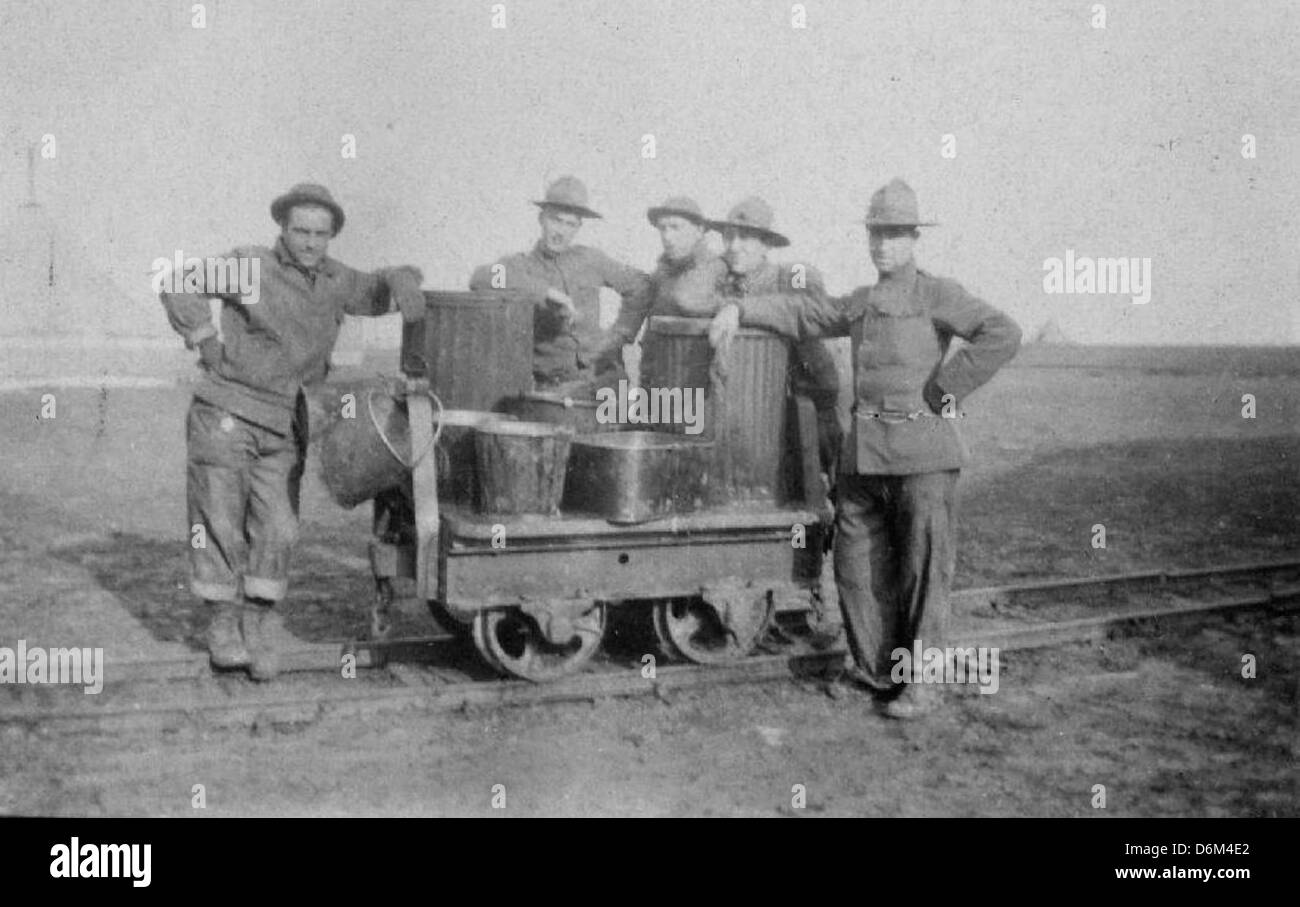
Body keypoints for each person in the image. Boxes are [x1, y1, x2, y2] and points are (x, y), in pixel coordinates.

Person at [709, 179, 1021, 718]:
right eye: (877, 233)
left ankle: (921, 682)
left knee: (922, 571)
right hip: (863, 459)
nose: (884, 245)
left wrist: (945, 390)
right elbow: (806, 314)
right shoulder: (859, 302)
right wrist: (740, 310)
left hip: (924, 458)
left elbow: (1003, 332)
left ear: (913, 238)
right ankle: (875, 670)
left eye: (895, 234)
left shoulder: (937, 293)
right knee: (856, 568)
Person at [160, 182, 426, 680]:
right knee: (218, 520)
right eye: (300, 230)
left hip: (287, 424)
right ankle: (222, 627)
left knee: (279, 529)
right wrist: (205, 340)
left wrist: (402, 274)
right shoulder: (252, 265)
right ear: (283, 227)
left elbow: (379, 291)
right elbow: (178, 282)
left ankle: (257, 626)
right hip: (227, 414)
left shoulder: (335, 279)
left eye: (319, 233)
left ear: (331, 236)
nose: (308, 241)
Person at [469, 176, 649, 393]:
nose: (561, 231)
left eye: (570, 224)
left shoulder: (590, 259)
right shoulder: (520, 265)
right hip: (557, 388)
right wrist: (546, 293)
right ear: (541, 219)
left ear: (578, 227)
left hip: (607, 382)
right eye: (556, 220)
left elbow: (641, 286)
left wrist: (621, 334)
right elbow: (481, 277)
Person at [707, 197, 843, 478]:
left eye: (745, 238)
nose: (734, 247)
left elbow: (813, 307)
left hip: (806, 409)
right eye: (728, 237)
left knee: (819, 494)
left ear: (767, 244)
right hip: (753, 414)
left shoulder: (791, 275)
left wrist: (742, 309)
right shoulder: (722, 282)